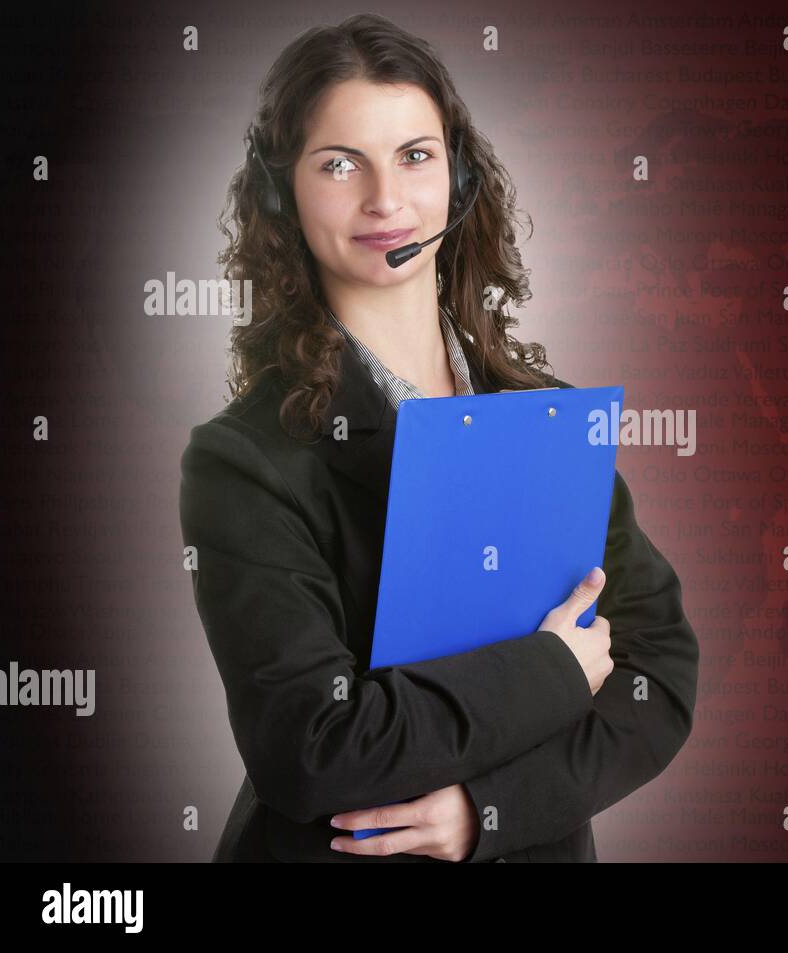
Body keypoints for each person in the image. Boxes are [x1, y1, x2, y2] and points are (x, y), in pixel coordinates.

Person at [179, 13, 699, 863]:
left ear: (457, 181)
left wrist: (484, 811)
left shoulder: (547, 418)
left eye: (415, 156)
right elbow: (313, 751)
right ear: (282, 194)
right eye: (341, 164)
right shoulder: (242, 462)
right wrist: (554, 668)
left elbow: (661, 671)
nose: (385, 200)